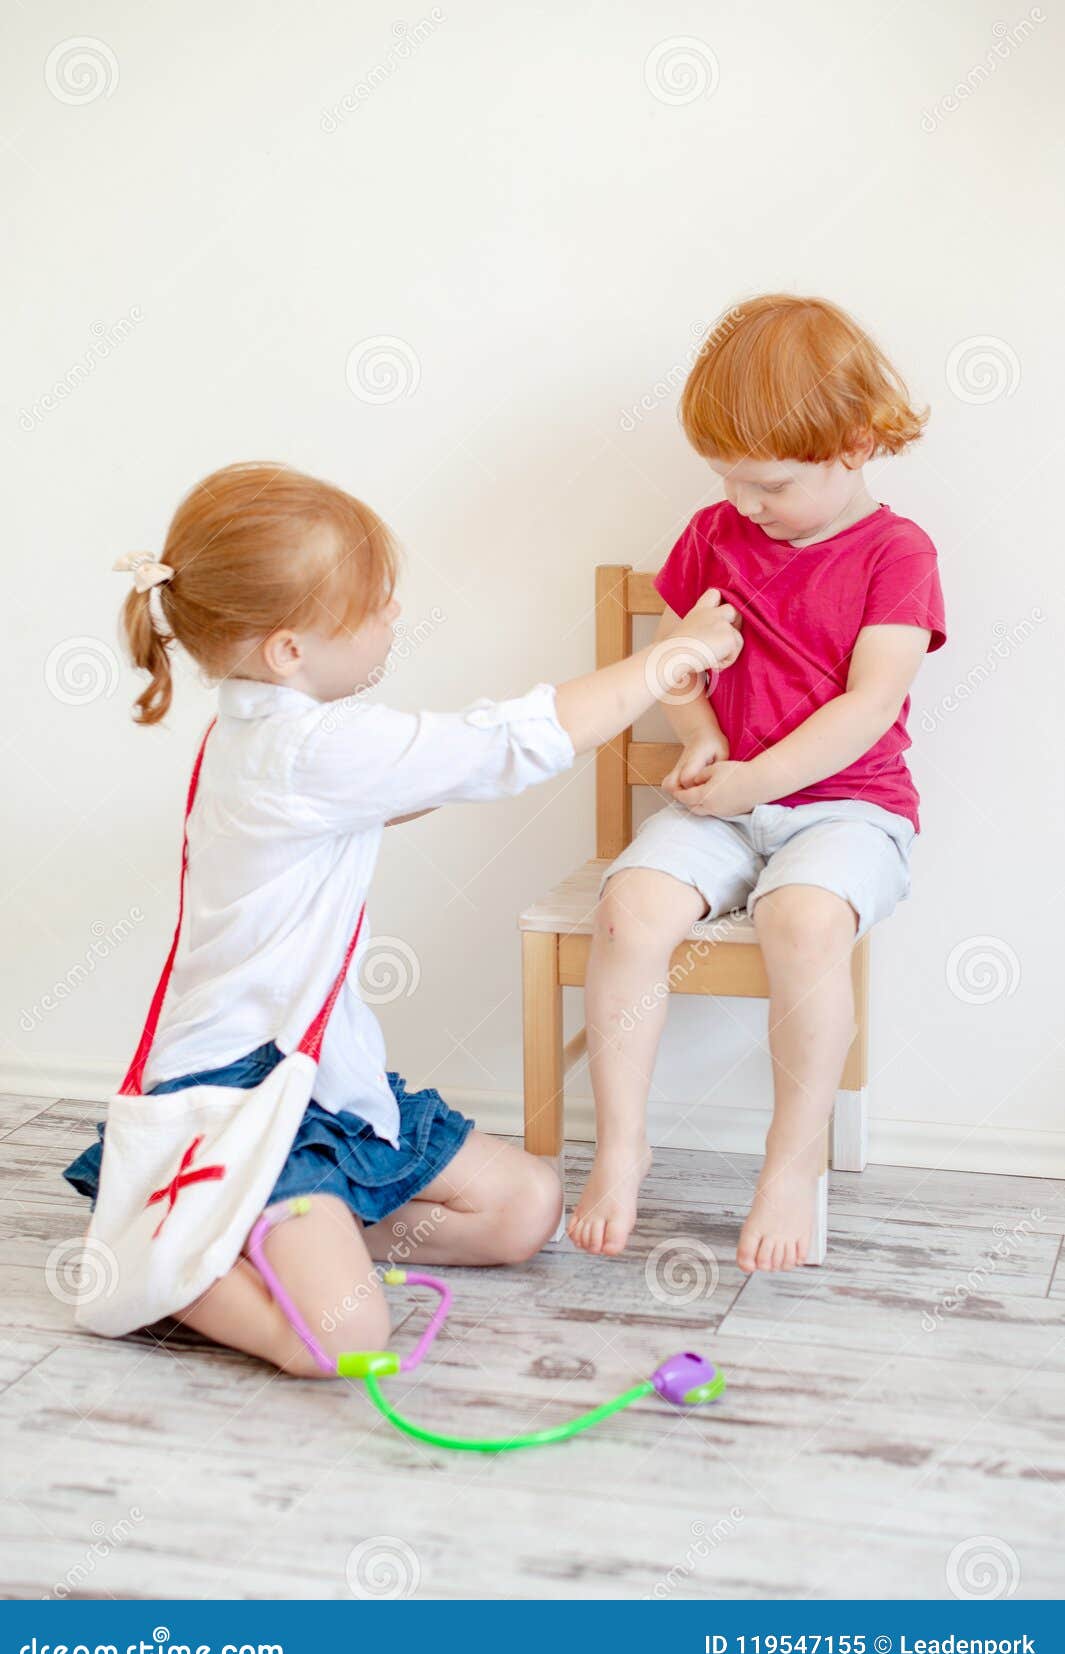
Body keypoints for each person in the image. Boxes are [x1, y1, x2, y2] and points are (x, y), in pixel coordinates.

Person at [62, 460, 743, 1374]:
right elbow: (508, 743)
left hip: (318, 1076)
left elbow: (413, 782)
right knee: (340, 1340)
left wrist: (456, 768)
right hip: (244, 1089)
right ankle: (169, 1267)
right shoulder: (306, 747)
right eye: (375, 603)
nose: (392, 617)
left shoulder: (268, 731)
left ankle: (297, 1235)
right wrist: (670, 656)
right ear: (288, 650)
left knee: (523, 1207)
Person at [569, 295, 947, 1273]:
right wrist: (695, 737)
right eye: (728, 480)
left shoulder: (897, 556)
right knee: (630, 907)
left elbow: (868, 706)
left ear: (856, 445)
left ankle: (789, 1162)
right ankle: (621, 1144)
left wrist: (756, 783)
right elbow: (678, 650)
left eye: (769, 484)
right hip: (726, 798)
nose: (744, 504)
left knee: (805, 924)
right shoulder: (716, 532)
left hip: (848, 806)